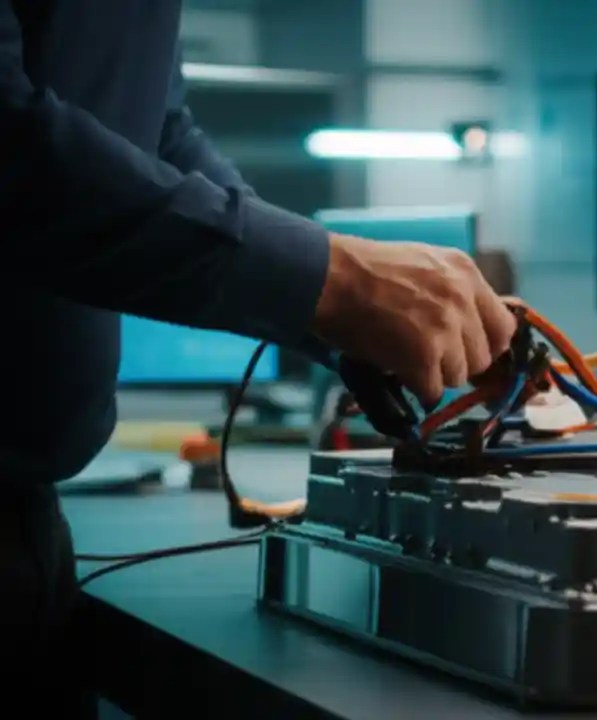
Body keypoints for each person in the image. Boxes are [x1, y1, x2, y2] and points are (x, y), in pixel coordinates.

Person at [0, 0, 517, 712]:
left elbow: (157, 132)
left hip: (26, 527)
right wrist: (330, 278)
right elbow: (10, 145)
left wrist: (336, 317)